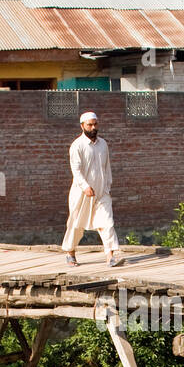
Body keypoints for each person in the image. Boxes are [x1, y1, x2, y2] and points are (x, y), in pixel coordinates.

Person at [61, 111, 122, 268]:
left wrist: (107, 185)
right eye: (89, 124)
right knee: (76, 224)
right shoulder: (77, 146)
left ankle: (111, 256)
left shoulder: (103, 144)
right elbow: (76, 170)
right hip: (82, 193)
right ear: (82, 126)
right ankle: (70, 252)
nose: (93, 127)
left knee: (107, 222)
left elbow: (107, 167)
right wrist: (85, 186)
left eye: (95, 124)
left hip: (101, 192)